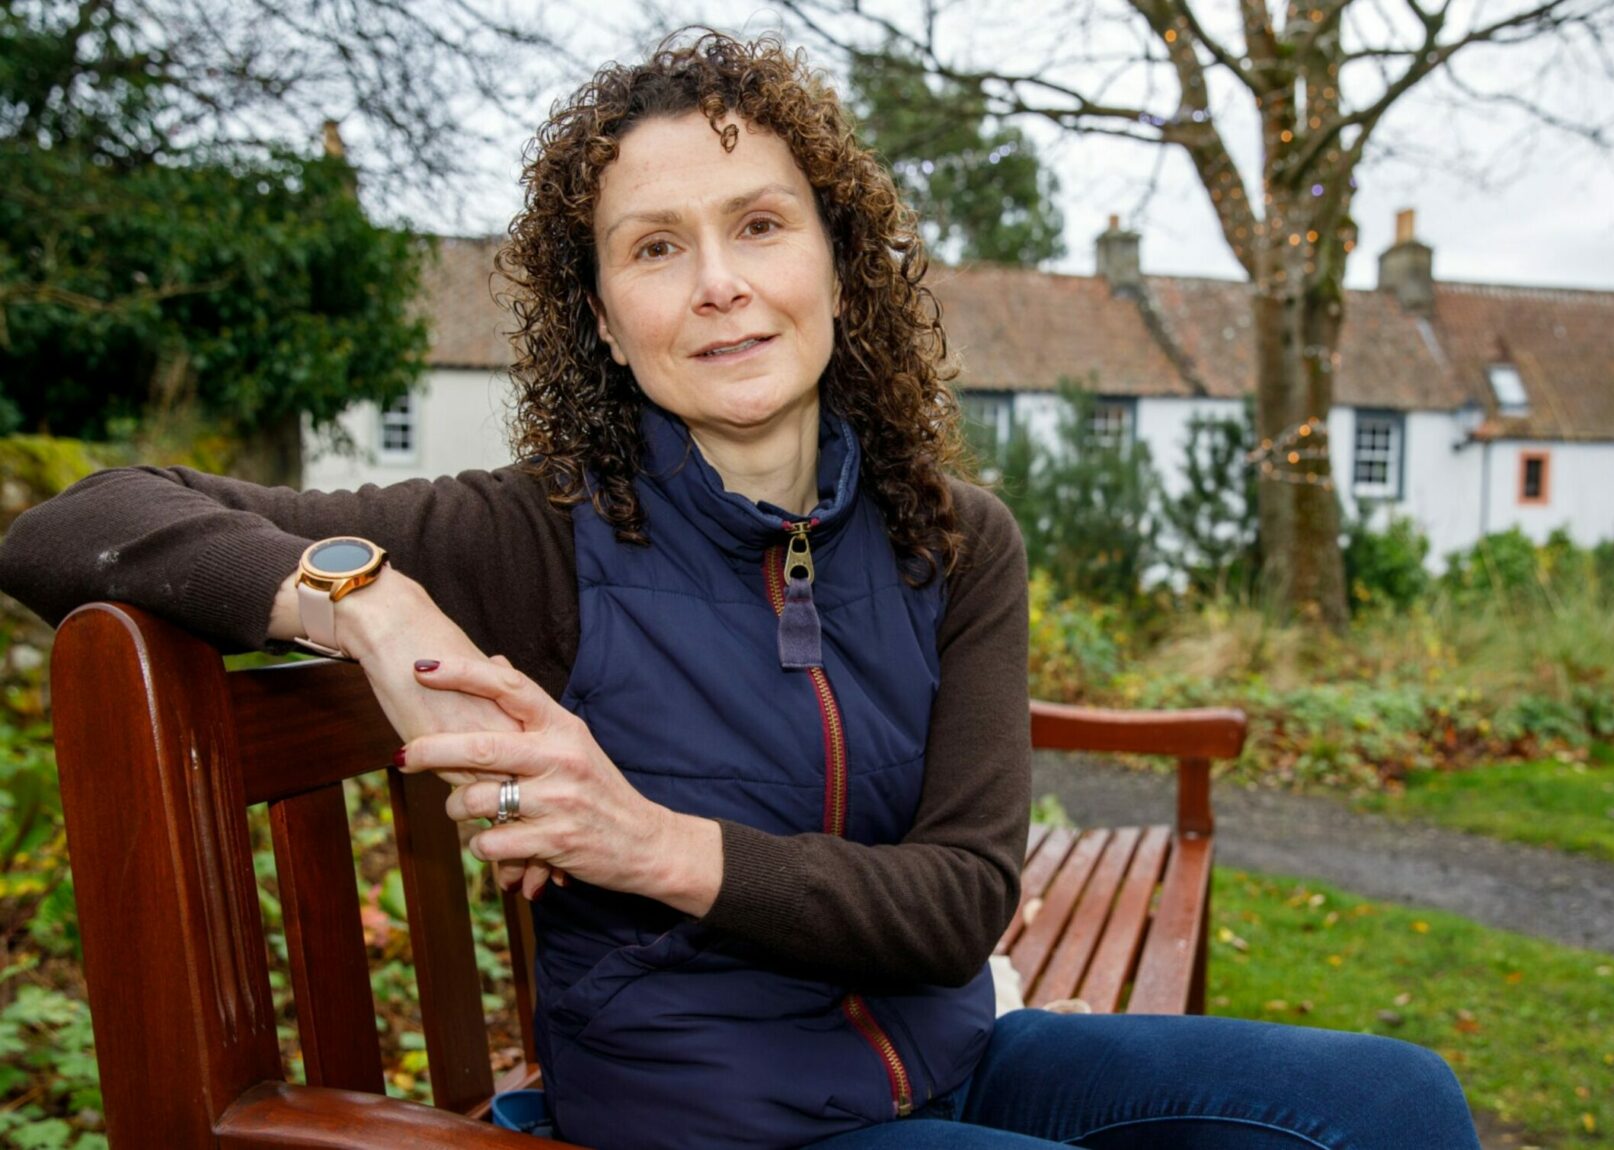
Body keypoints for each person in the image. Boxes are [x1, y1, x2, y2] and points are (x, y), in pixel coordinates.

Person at [0, 30, 1481, 1150]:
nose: (718, 282)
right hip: (699, 1121)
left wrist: (646, 841)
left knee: (1401, 1106)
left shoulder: (954, 538)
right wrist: (367, 603)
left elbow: (963, 900)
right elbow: (78, 522)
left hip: (952, 1051)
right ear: (604, 315)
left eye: (761, 224)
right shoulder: (534, 538)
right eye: (657, 247)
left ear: (838, 260)